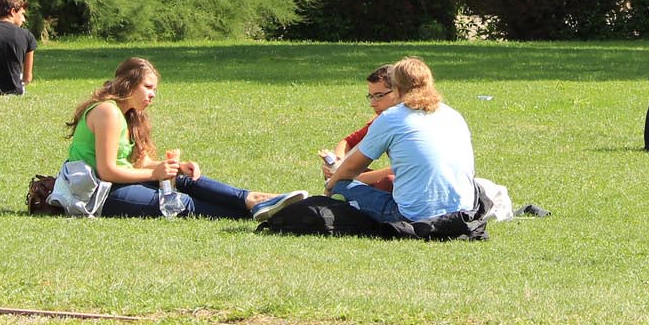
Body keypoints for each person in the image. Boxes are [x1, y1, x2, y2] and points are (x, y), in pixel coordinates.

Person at [64, 57, 304, 220]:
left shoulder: (130, 116)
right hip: (100, 193)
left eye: (155, 89)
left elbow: (138, 162)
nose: (152, 95)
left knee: (186, 180)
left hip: (121, 183)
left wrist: (173, 168)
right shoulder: (107, 112)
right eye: (148, 87)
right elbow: (107, 171)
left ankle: (256, 199)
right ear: (128, 84)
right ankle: (266, 211)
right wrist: (156, 174)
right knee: (179, 203)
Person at [326, 57, 477, 224]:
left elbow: (350, 169)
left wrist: (329, 187)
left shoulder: (392, 118)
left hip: (413, 216)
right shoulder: (453, 115)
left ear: (396, 88)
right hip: (464, 212)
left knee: (341, 187)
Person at [320, 65, 400, 193]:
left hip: (418, 194)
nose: (372, 103)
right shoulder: (381, 120)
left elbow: (405, 170)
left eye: (379, 95)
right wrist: (337, 163)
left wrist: (344, 177)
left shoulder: (398, 121)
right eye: (371, 96)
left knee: (388, 182)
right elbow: (348, 141)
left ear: (399, 92)